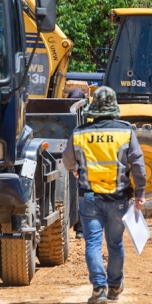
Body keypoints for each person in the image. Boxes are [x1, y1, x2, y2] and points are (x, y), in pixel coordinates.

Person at [62, 86, 147, 304]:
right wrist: (140, 193)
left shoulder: (80, 132)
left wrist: (75, 169)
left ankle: (98, 288)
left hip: (89, 198)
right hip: (118, 198)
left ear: (94, 108)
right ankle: (115, 286)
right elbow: (138, 163)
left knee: (92, 243)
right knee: (115, 243)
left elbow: (68, 161)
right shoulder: (125, 131)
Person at [66, 86, 88, 239]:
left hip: (67, 158)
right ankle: (80, 229)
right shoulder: (83, 115)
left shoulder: (66, 113)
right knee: (81, 193)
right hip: (79, 162)